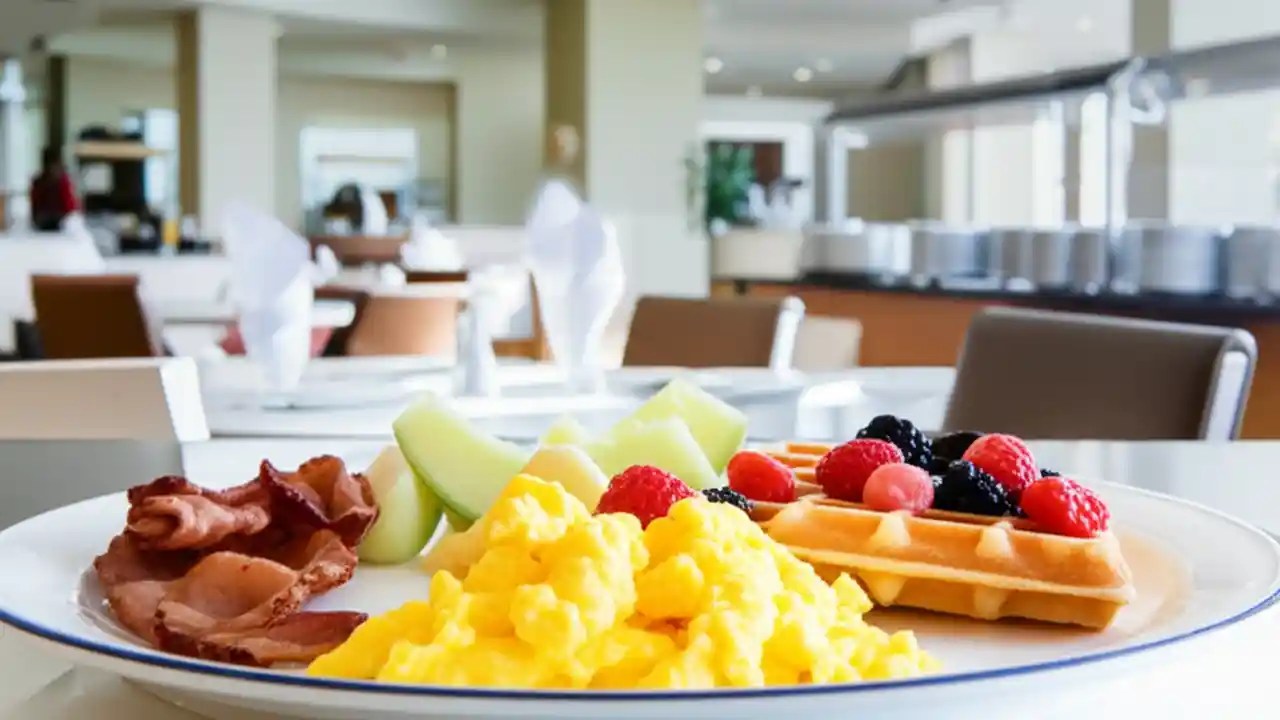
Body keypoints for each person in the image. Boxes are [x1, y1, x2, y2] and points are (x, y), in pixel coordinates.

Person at [29, 146, 79, 231]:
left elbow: (70, 206)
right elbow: (35, 207)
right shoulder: (40, 182)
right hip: (46, 220)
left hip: (59, 219)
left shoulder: (63, 181)